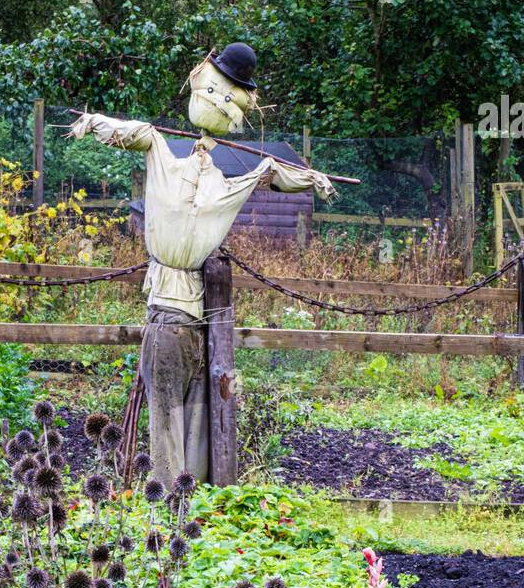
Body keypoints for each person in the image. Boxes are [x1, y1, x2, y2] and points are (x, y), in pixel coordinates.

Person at [70, 44, 334, 487]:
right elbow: (269, 171)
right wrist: (96, 124)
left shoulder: (199, 176)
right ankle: (191, 503)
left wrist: (96, 122)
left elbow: (140, 135)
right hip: (193, 322)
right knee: (191, 421)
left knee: (167, 422)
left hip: (170, 321)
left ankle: (166, 504)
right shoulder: (203, 176)